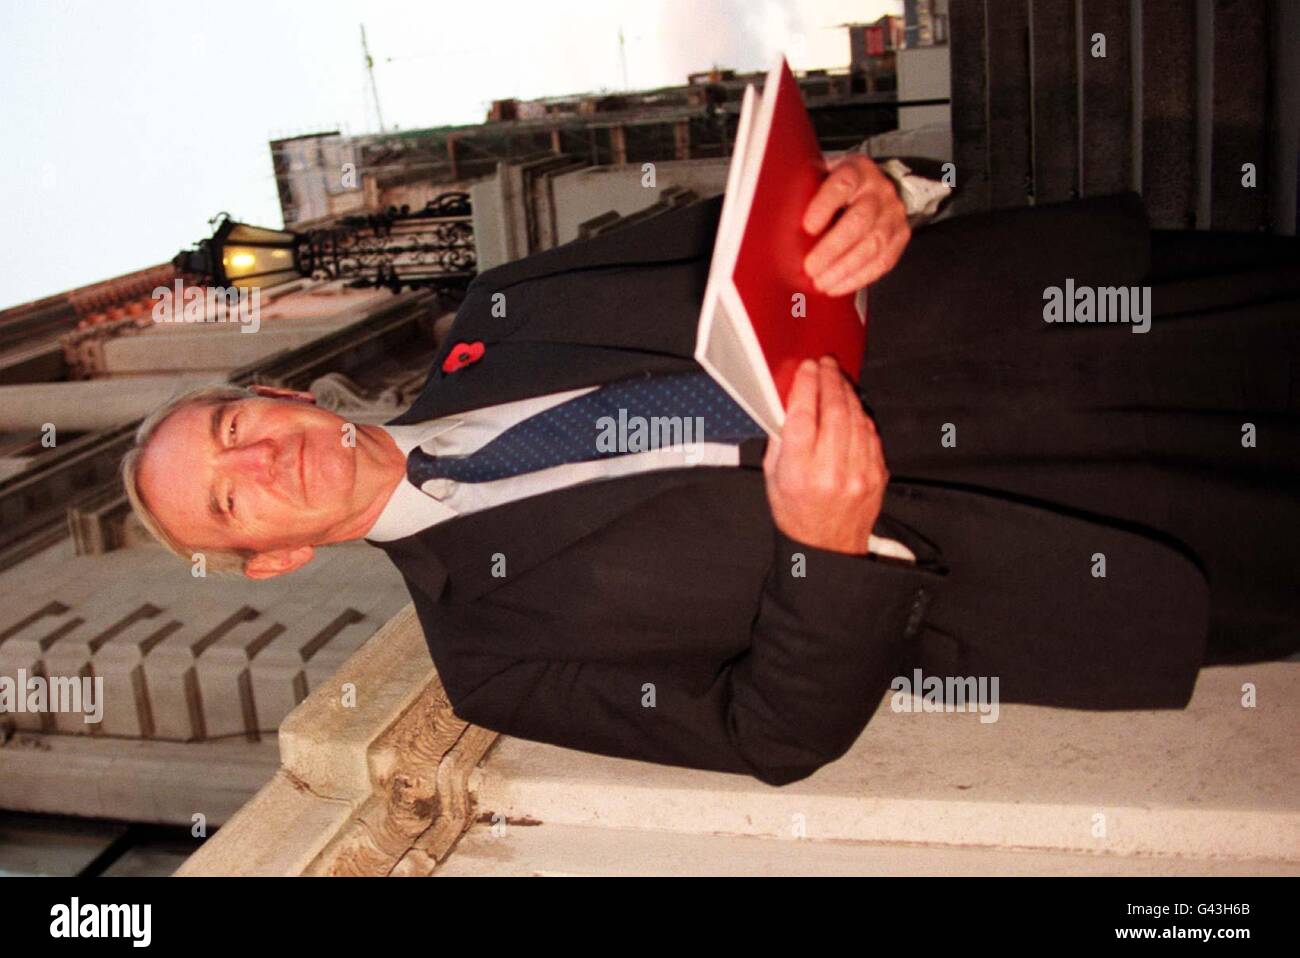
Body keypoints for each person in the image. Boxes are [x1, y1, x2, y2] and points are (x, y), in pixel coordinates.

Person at [122, 153, 1300, 787]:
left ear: (271, 392)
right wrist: (825, 558)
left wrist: (879, 191)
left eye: (234, 424)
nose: (264, 456)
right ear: (269, 558)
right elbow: (765, 736)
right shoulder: (492, 664)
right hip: (1079, 542)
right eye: (233, 498)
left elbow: (768, 236)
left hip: (1075, 329)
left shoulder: (508, 302)